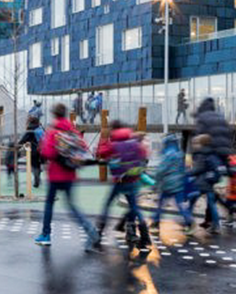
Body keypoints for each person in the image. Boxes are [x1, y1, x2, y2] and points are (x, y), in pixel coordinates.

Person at [35, 103, 98, 250]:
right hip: (70, 174)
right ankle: (89, 229)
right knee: (72, 207)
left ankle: (46, 235)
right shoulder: (72, 130)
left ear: (54, 114)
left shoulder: (52, 130)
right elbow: (83, 149)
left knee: (49, 204)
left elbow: (48, 153)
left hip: (55, 175)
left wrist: (44, 150)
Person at [94, 120, 152, 252]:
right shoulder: (135, 143)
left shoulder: (113, 144)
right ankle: (145, 236)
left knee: (107, 205)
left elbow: (101, 153)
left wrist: (104, 138)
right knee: (135, 208)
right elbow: (143, 155)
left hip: (119, 181)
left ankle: (98, 235)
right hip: (132, 179)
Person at [151, 133, 193, 231]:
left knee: (161, 204)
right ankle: (189, 222)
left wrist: (156, 184)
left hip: (168, 184)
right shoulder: (179, 154)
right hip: (178, 184)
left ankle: (155, 223)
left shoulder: (168, 155)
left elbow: (161, 170)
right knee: (180, 204)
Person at [187, 134, 223, 234]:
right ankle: (216, 226)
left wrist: (186, 173)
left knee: (190, 203)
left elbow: (198, 169)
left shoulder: (202, 154)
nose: (194, 145)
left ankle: (190, 224)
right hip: (210, 183)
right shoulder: (212, 153)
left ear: (202, 144)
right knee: (212, 206)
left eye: (196, 143)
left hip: (201, 184)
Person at [16, 116, 44, 189]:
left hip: (33, 150)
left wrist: (17, 146)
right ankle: (38, 175)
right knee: (38, 164)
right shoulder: (40, 128)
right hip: (42, 150)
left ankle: (36, 179)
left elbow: (23, 140)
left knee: (34, 165)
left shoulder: (30, 130)